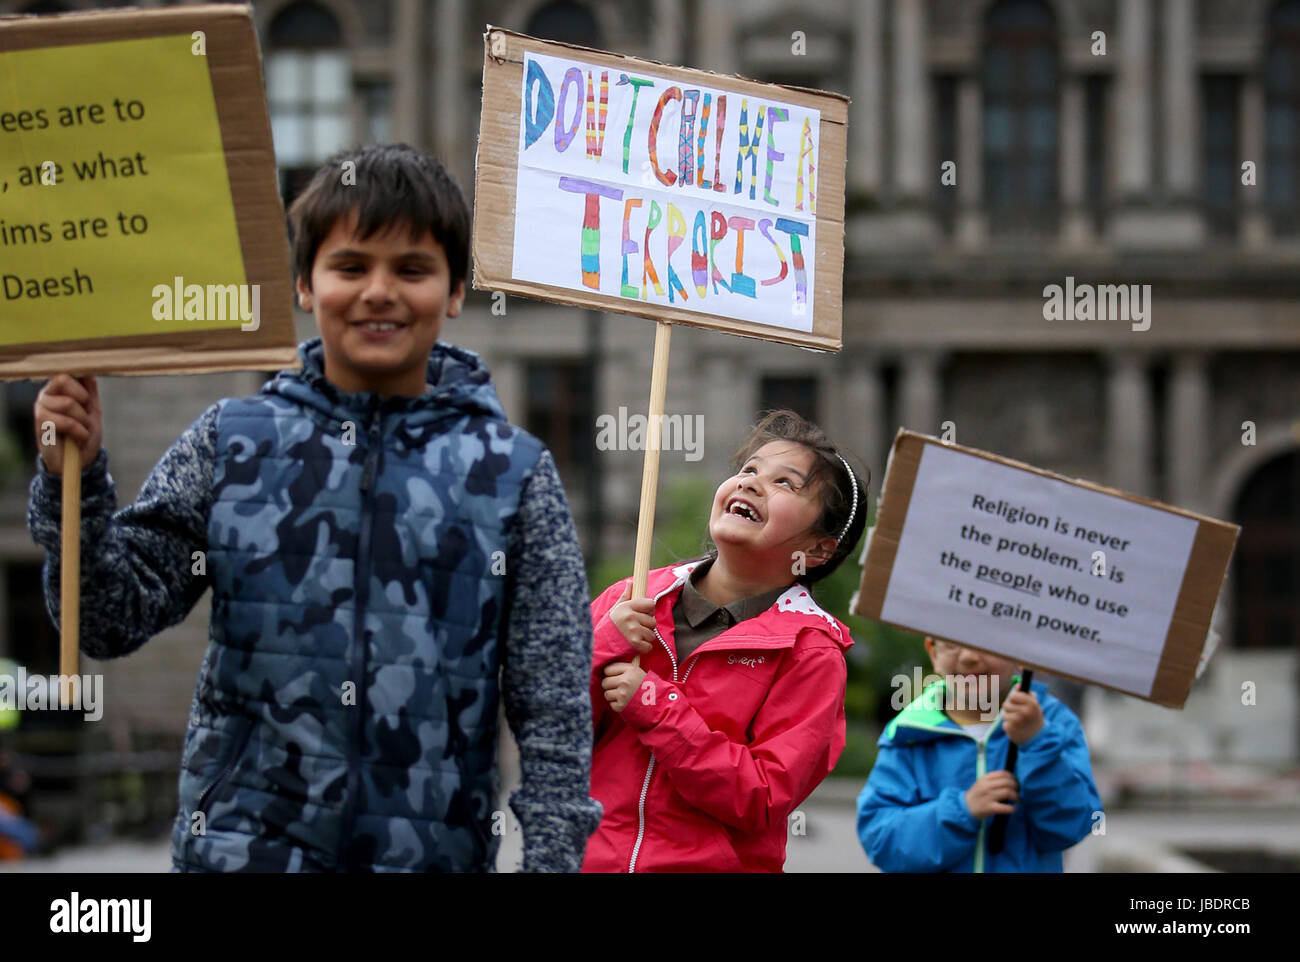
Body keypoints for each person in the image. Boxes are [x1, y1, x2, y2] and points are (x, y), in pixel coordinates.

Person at [26, 144, 601, 872]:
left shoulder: (515, 475)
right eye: (351, 266)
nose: (380, 292)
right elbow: (108, 618)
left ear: (456, 291)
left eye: (412, 270)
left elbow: (553, 712)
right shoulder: (229, 441)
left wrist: (551, 862)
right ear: (305, 284)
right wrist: (70, 485)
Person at [583, 410, 867, 872]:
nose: (751, 484)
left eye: (785, 484)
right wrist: (600, 647)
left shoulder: (811, 653)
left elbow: (761, 797)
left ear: (817, 549)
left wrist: (655, 706)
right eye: (749, 469)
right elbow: (547, 725)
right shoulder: (630, 597)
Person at [856, 635, 1102, 872]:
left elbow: (1075, 825)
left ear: (1020, 653)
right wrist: (962, 811)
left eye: (986, 642)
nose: (968, 657)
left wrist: (1037, 744)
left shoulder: (1053, 723)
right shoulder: (907, 733)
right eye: (952, 643)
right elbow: (880, 840)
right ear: (933, 652)